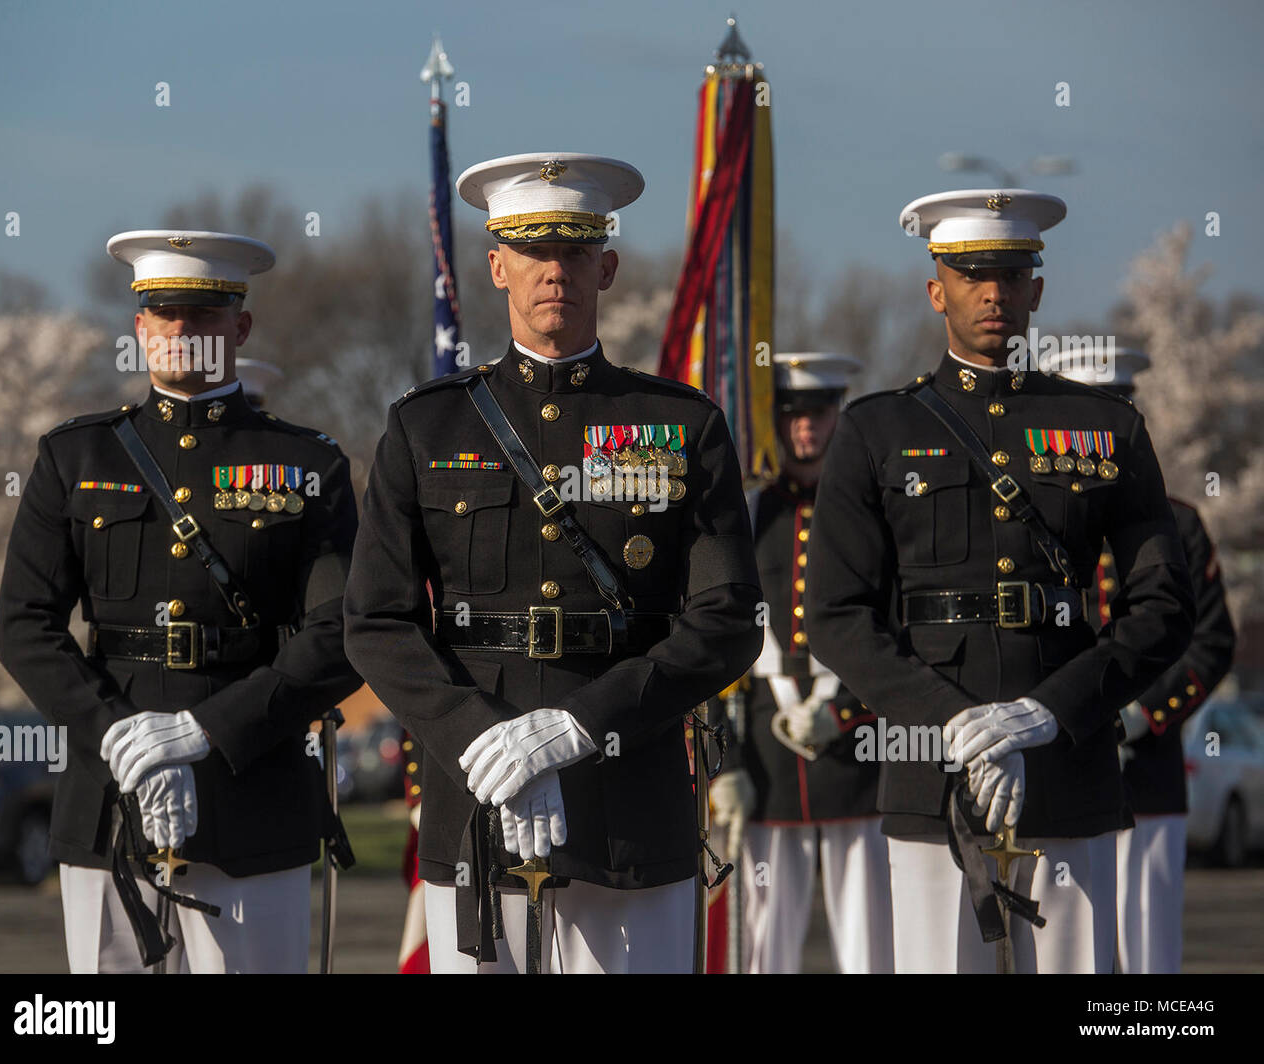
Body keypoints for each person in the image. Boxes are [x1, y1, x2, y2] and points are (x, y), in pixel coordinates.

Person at [343, 153, 763, 974]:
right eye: (532, 251)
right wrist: (484, 739)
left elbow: (729, 619)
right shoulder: (427, 429)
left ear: (606, 266)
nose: (554, 272)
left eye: (574, 251)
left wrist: (577, 726)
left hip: (630, 810)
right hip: (478, 804)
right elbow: (377, 621)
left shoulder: (681, 424)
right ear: (497, 266)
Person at [805, 189, 1195, 973]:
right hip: (931, 766)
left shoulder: (1106, 428)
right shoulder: (878, 430)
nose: (994, 293)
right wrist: (953, 721)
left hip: (1067, 763)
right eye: (973, 274)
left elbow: (1164, 604)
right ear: (935, 288)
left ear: (1037, 290)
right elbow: (838, 615)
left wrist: (1046, 714)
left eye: (1013, 275)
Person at [0, 231, 360, 973]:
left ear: (240, 327)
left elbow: (341, 632)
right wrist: (121, 738)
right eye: (164, 313)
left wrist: (203, 731)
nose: (182, 332)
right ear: (139, 328)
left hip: (251, 790)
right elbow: (23, 625)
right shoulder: (76, 457)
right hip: (109, 796)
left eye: (204, 314)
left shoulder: (306, 463)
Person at [1039, 343, 1236, 973]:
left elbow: (1210, 643)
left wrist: (1142, 715)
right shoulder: (1032, 529)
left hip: (1146, 778)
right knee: (1066, 953)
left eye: (1120, 406)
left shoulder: (1178, 526)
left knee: (1148, 961)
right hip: (1060, 773)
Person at [710, 352, 893, 973]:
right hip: (766, 752)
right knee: (762, 946)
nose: (805, 429)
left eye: (818, 414)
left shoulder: (873, 513)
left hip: (858, 751)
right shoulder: (748, 515)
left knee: (872, 940)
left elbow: (894, 630)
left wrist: (843, 711)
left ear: (838, 414)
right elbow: (713, 640)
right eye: (792, 416)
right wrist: (723, 765)